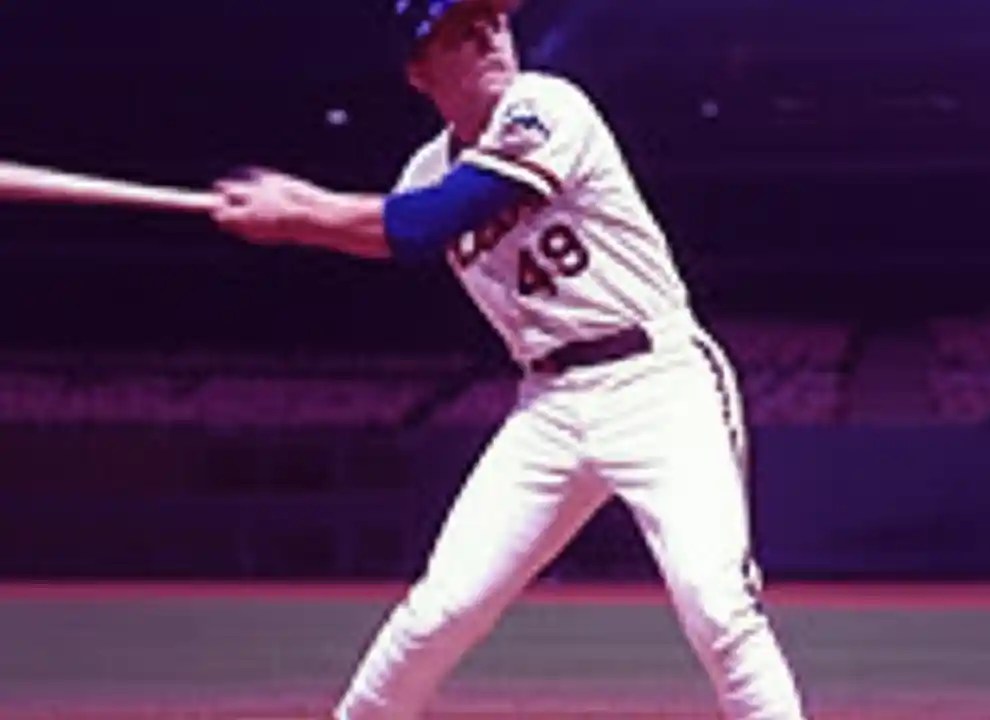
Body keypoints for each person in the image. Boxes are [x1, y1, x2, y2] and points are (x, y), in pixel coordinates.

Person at [212, 1, 809, 718]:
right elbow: (391, 229)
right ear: (419, 72)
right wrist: (292, 217)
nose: (491, 34)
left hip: (658, 383)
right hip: (550, 406)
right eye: (462, 30)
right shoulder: (425, 169)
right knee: (441, 609)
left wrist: (300, 214)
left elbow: (435, 218)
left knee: (718, 608)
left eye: (492, 18)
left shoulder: (546, 106)